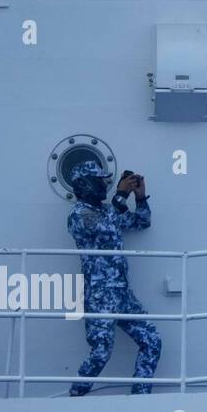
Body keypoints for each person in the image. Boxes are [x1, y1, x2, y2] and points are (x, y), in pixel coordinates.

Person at [66, 162, 161, 396]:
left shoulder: (109, 211)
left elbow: (141, 222)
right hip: (99, 296)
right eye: (99, 181)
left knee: (152, 340)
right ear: (84, 184)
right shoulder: (78, 215)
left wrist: (139, 198)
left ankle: (140, 396)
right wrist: (120, 195)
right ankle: (75, 395)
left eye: (106, 181)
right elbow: (105, 228)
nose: (104, 185)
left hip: (122, 294)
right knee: (102, 350)